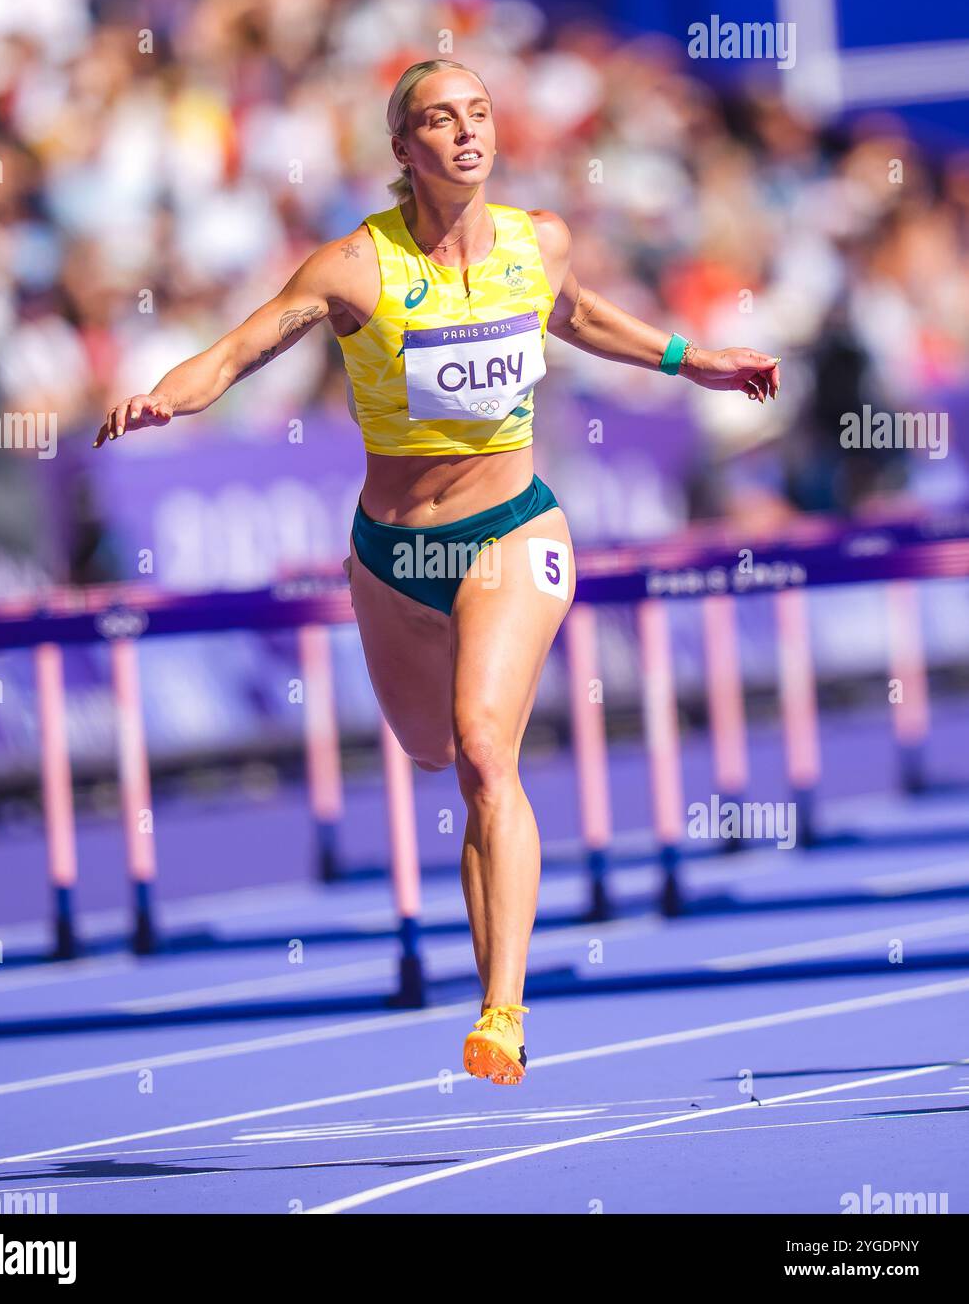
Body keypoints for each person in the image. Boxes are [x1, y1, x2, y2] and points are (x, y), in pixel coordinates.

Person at [94, 59, 779, 1085]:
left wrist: (697, 359)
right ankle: (490, 954)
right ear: (402, 151)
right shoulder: (354, 268)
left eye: (478, 114)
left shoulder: (534, 241)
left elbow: (581, 312)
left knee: (481, 751)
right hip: (392, 558)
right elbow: (239, 350)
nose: (466, 133)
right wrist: (164, 397)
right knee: (426, 749)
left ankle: (502, 1009)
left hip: (515, 529)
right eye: (439, 121)